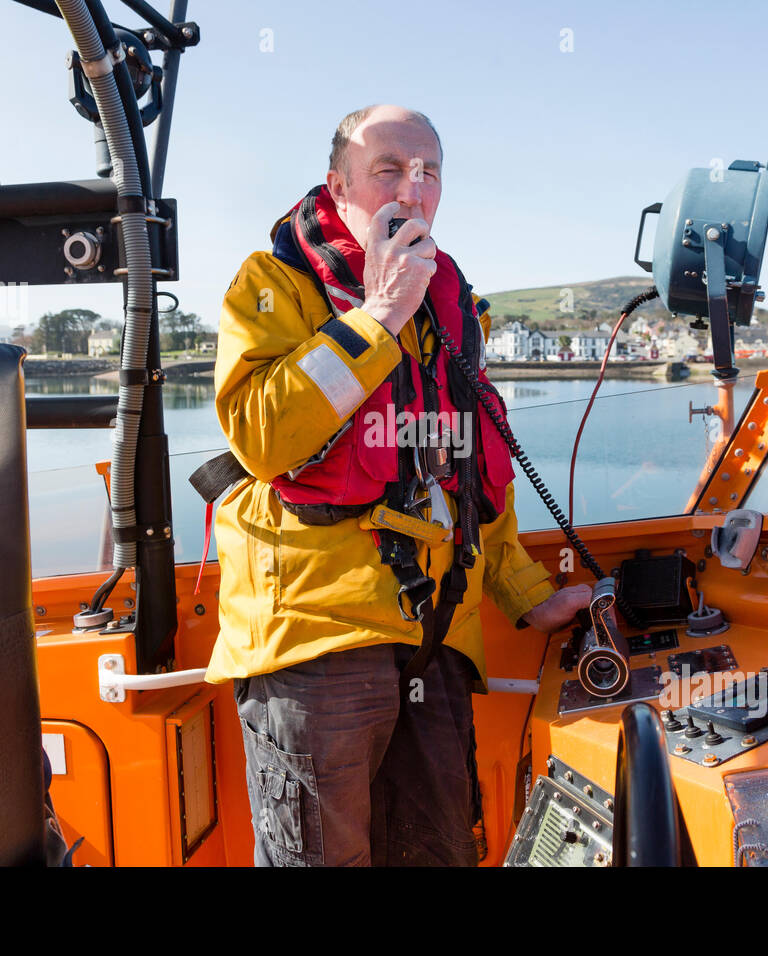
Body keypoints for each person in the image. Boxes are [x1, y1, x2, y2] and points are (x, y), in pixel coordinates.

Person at [204, 104, 592, 866]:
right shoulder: (272, 284)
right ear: (337, 183)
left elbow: (475, 466)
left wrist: (523, 592)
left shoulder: (452, 303)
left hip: (436, 636)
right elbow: (259, 435)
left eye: (429, 172)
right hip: (316, 640)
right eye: (388, 168)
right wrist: (378, 316)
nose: (412, 190)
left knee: (441, 855)